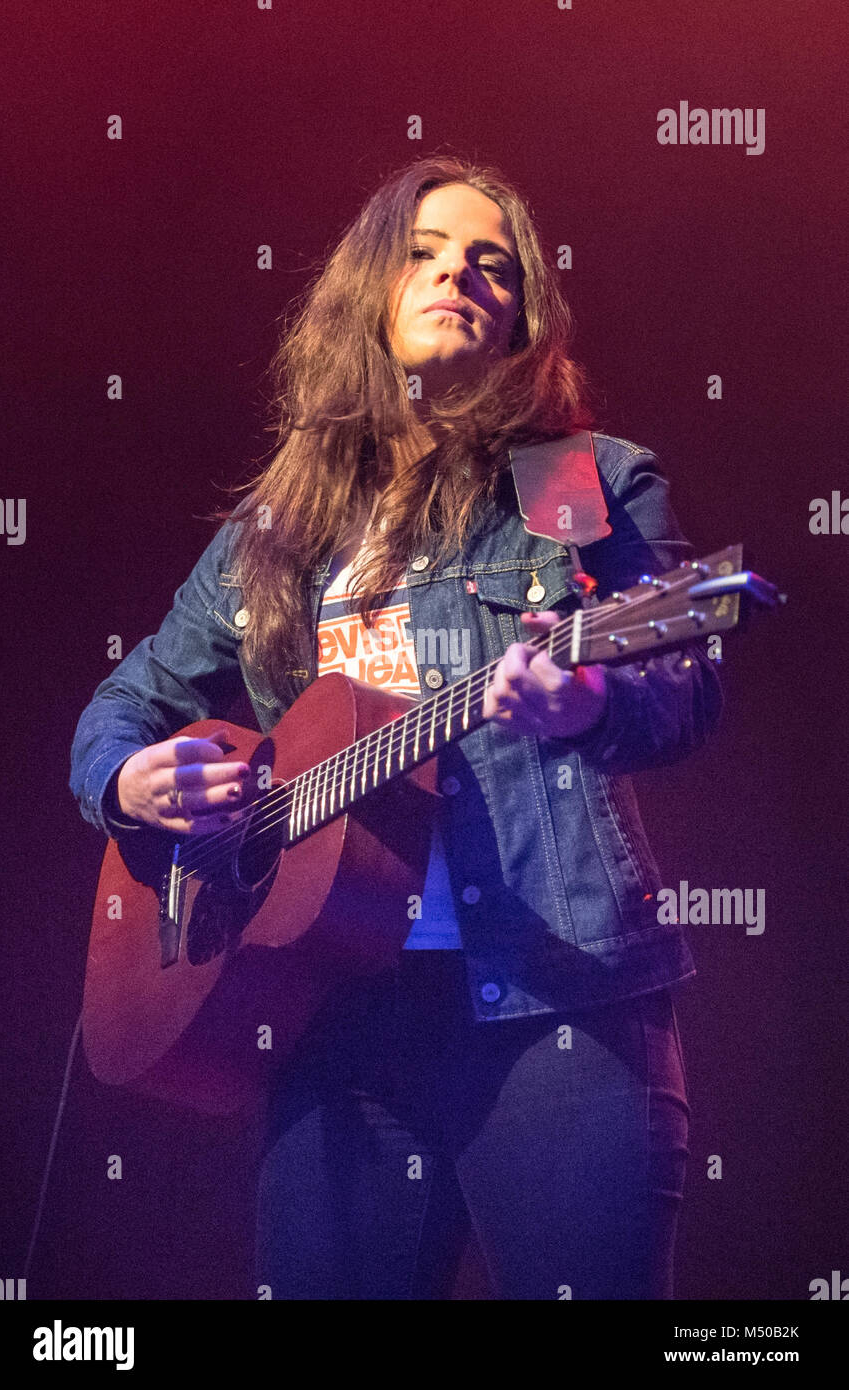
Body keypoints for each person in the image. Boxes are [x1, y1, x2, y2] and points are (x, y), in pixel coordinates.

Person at [70, 155, 722, 1300]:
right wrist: (132, 782)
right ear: (369, 287)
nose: (456, 275)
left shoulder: (565, 482)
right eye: (422, 252)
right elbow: (122, 706)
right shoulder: (280, 528)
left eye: (490, 264)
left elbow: (675, 688)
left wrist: (585, 701)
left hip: (549, 1009)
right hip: (327, 1020)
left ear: (520, 318)